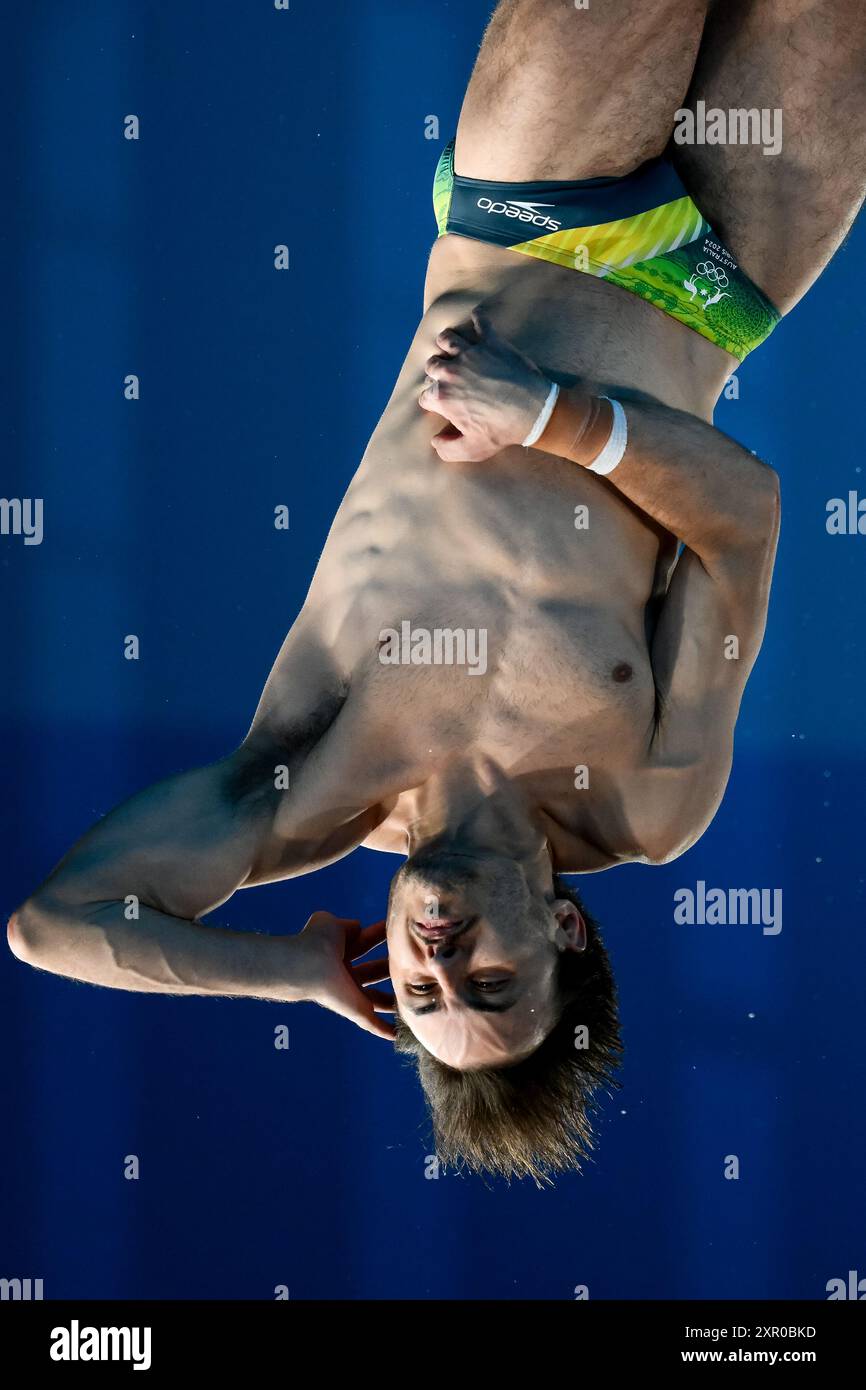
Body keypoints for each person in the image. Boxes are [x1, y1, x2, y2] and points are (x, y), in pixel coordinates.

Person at [10, 0, 865, 1180]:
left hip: (533, 212)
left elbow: (50, 928)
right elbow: (743, 524)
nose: (440, 959)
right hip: (727, 286)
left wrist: (296, 974)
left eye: (418, 992)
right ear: (564, 932)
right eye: (490, 982)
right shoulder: (644, 806)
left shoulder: (305, 792)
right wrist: (553, 419)